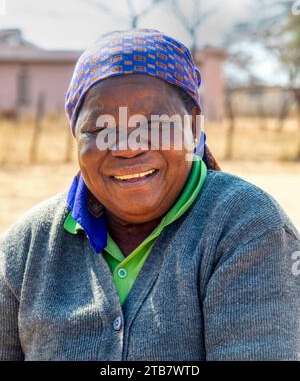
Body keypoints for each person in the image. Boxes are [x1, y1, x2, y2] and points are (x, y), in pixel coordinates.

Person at [0, 28, 299, 361]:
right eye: (100, 129)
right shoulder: (27, 247)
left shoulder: (245, 227)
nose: (127, 147)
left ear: (194, 125)